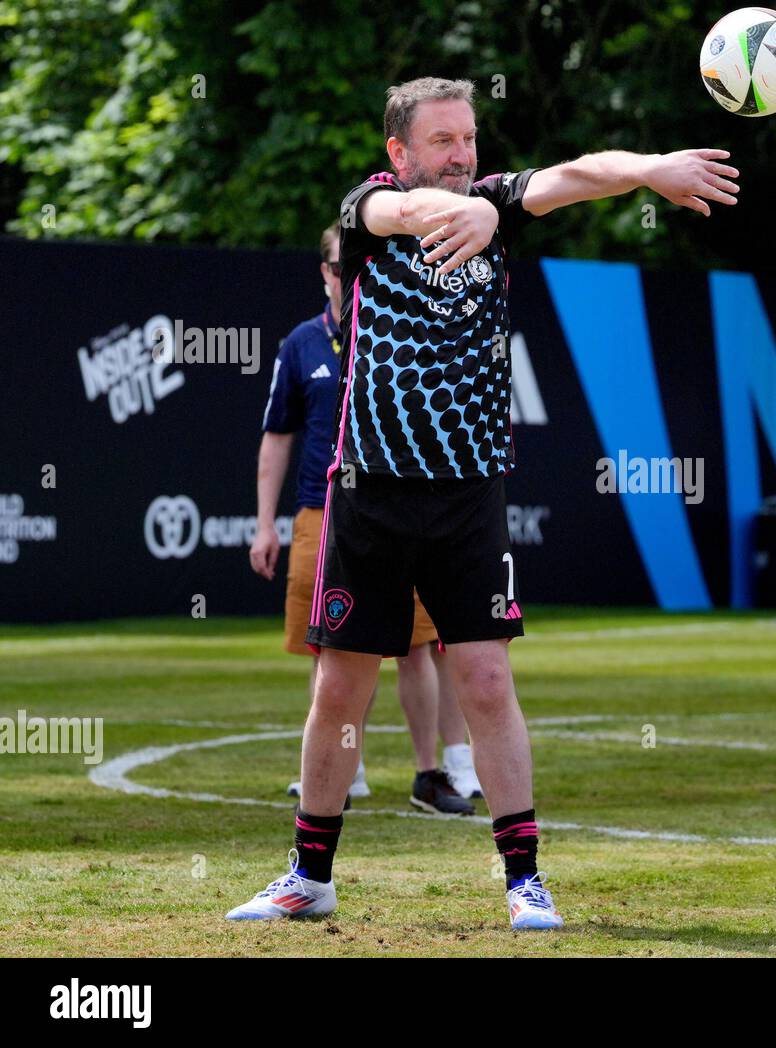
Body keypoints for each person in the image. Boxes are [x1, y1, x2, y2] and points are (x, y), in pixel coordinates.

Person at [227, 76, 741, 929]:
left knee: (487, 681)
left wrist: (649, 168)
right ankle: (308, 877)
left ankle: (523, 880)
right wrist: (473, 213)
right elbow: (394, 217)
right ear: (400, 153)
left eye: (469, 139)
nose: (463, 155)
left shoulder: (494, 200)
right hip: (367, 493)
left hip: (467, 497)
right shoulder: (368, 211)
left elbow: (578, 174)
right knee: (339, 688)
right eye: (442, 142)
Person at [250, 221, 477, 815]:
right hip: (323, 510)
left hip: (398, 506)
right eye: (339, 264)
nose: (347, 273)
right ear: (326, 272)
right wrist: (263, 522)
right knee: (331, 647)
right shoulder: (301, 343)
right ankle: (341, 774)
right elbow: (277, 437)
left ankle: (431, 774)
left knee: (419, 647)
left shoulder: (398, 328)